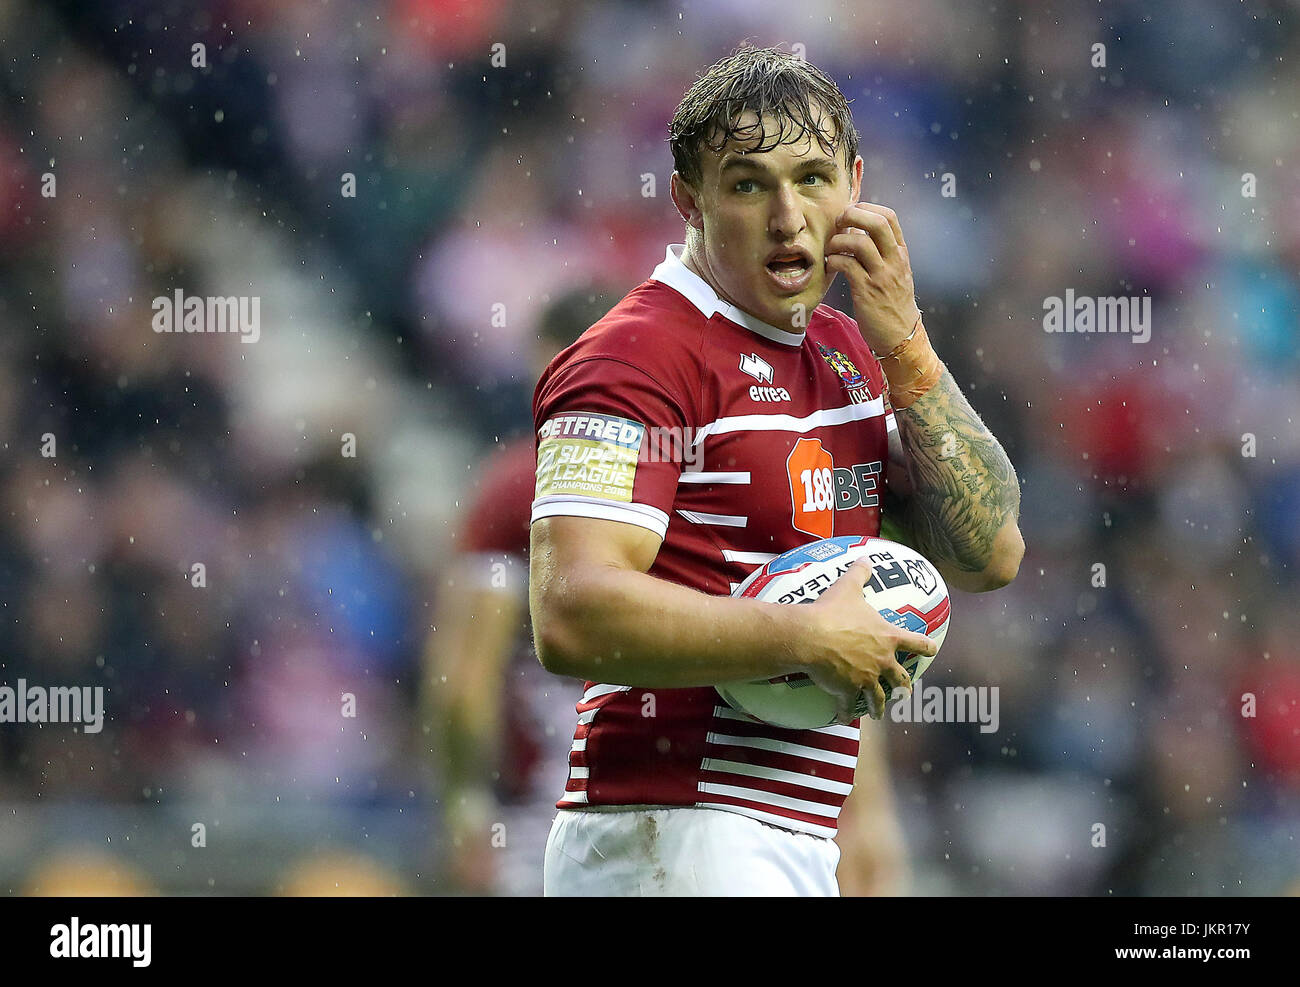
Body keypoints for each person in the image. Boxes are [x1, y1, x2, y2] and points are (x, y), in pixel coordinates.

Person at [529, 45, 1024, 896]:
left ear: (857, 185)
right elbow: (570, 611)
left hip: (783, 834)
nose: (790, 217)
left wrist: (907, 348)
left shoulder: (848, 348)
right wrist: (802, 638)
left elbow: (989, 554)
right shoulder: (634, 355)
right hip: (672, 833)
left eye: (814, 178)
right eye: (749, 183)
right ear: (688, 197)